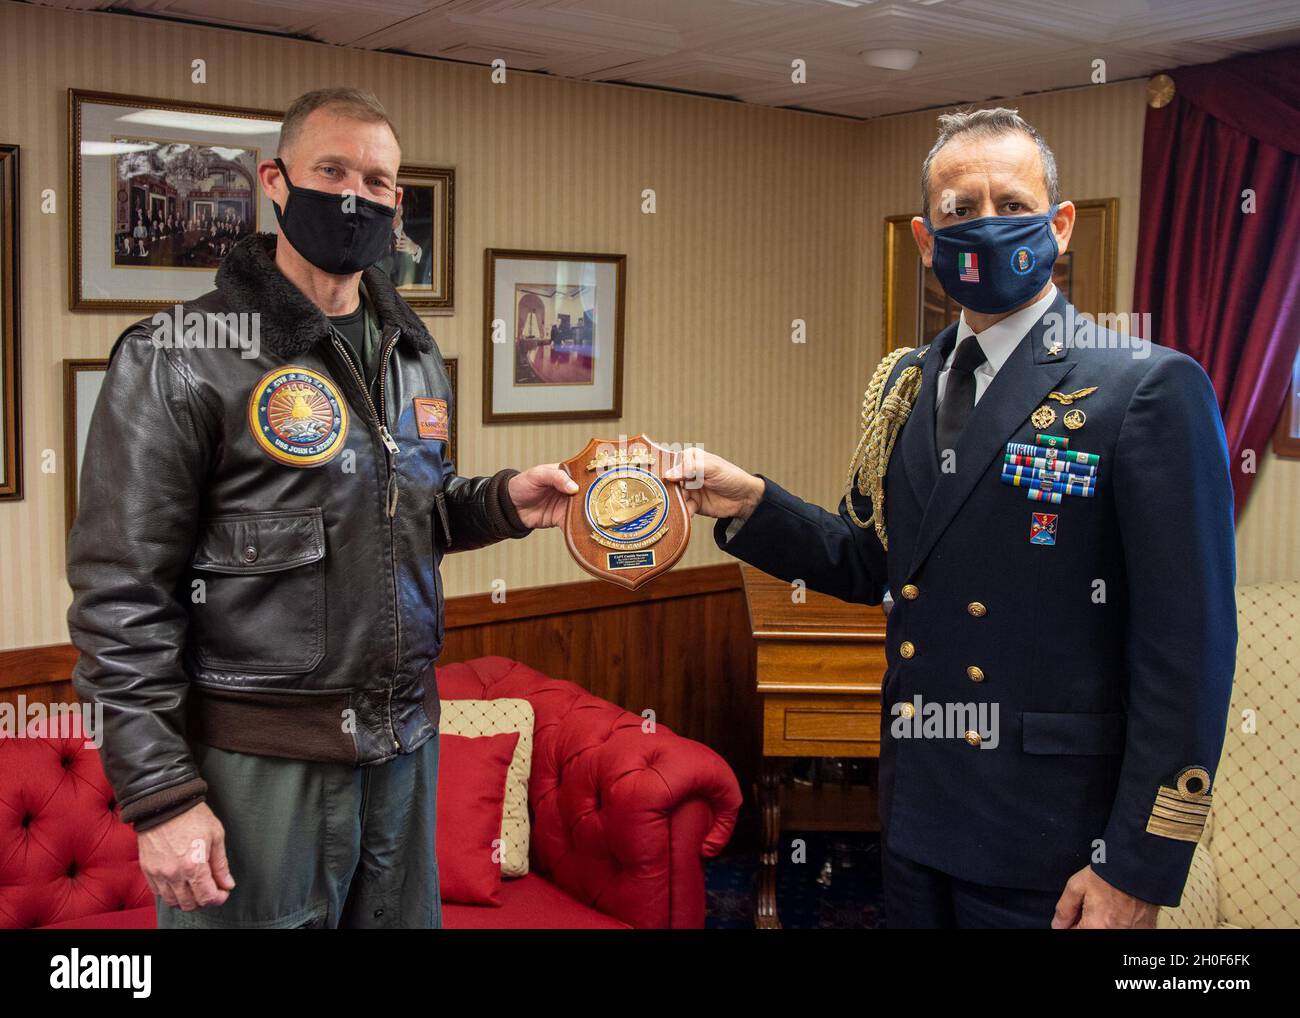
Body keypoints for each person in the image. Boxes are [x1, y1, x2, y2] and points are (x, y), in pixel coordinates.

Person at [667, 107, 1237, 929]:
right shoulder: (909, 382)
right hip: (918, 810)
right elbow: (874, 563)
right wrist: (748, 500)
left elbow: (1189, 653)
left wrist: (1138, 866)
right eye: (961, 211)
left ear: (1061, 224)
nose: (988, 226)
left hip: (1054, 837)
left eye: (1012, 203)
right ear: (927, 240)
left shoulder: (1144, 387)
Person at [66, 86, 578, 930]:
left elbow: (401, 518)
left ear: (396, 201)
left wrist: (499, 503)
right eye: (331, 170)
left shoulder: (414, 354)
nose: (355, 196)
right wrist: (159, 799)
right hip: (258, 762)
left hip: (402, 748)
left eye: (377, 182)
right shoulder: (182, 355)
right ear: (275, 180)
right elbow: (121, 596)